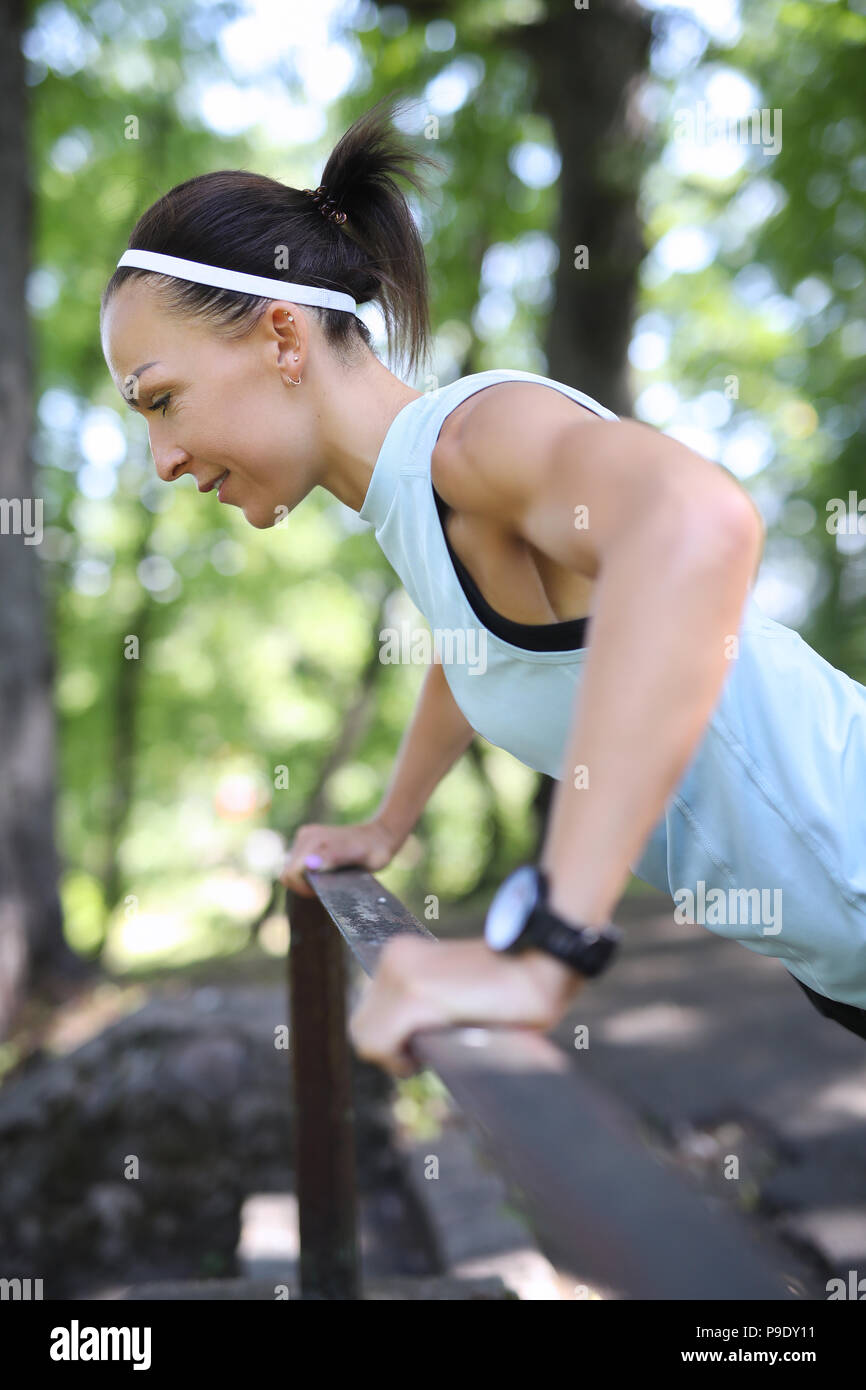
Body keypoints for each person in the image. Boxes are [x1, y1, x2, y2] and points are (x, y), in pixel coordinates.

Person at [100, 94, 866, 1079]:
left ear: (283, 338)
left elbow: (699, 523)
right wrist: (388, 821)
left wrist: (550, 948)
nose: (160, 459)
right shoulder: (413, 499)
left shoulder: (472, 442)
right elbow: (473, 647)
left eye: (162, 400)